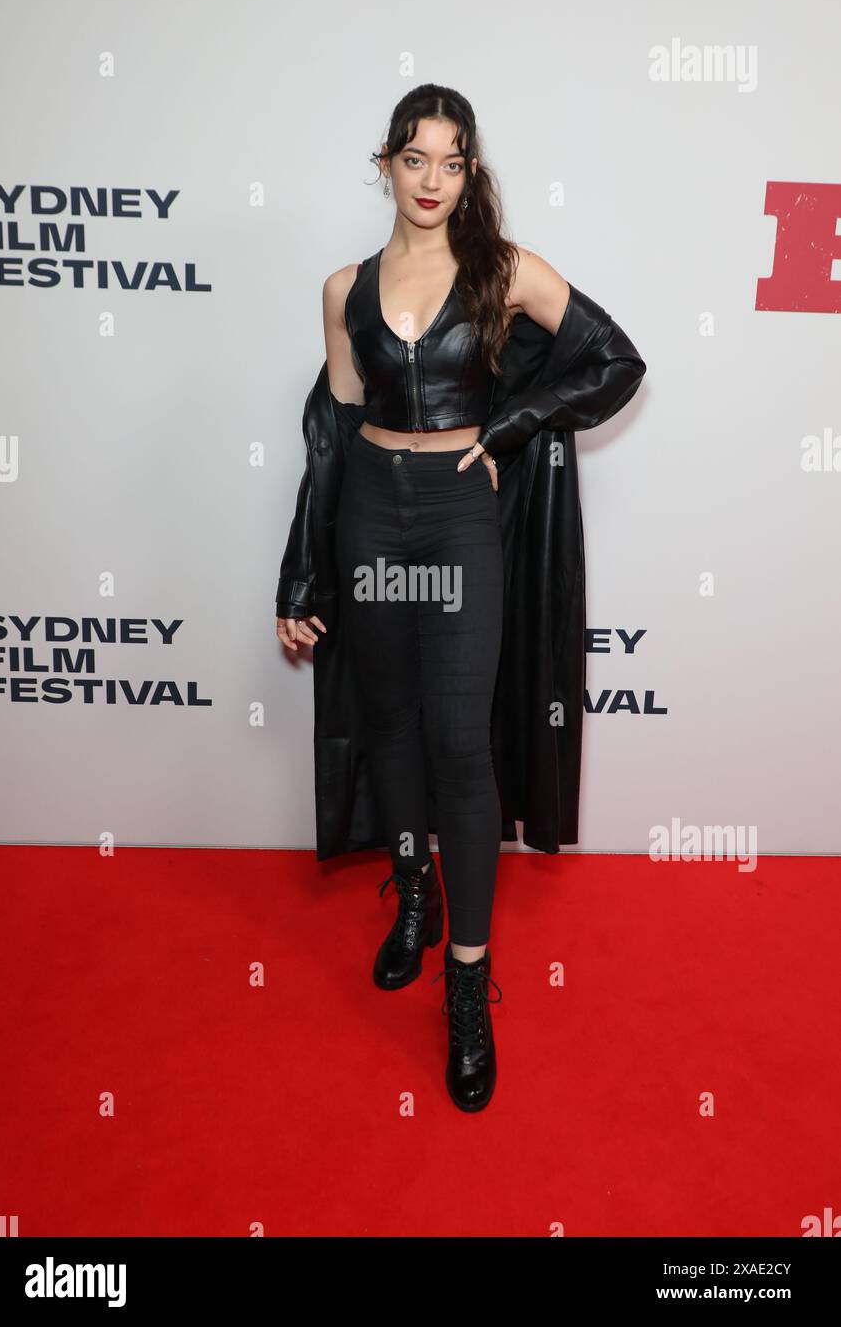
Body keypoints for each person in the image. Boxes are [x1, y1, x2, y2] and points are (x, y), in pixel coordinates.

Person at [275, 83, 646, 1113]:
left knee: (457, 746)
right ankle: (413, 899)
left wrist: (515, 422)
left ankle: (468, 986)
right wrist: (303, 569)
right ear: (384, 164)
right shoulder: (342, 289)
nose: (431, 179)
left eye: (450, 161)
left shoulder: (501, 272)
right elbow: (329, 440)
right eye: (413, 158)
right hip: (368, 521)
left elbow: (614, 362)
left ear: (469, 171)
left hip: (454, 517)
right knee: (388, 725)